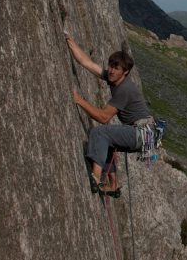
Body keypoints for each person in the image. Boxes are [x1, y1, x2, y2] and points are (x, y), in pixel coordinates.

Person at [65, 32, 152, 196]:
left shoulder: (125, 89)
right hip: (144, 134)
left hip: (141, 132)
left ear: (125, 72)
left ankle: (96, 178)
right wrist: (70, 41)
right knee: (110, 139)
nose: (111, 70)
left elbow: (103, 117)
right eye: (110, 66)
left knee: (99, 132)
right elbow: (88, 63)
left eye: (116, 68)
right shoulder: (114, 78)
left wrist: (80, 101)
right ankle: (114, 185)